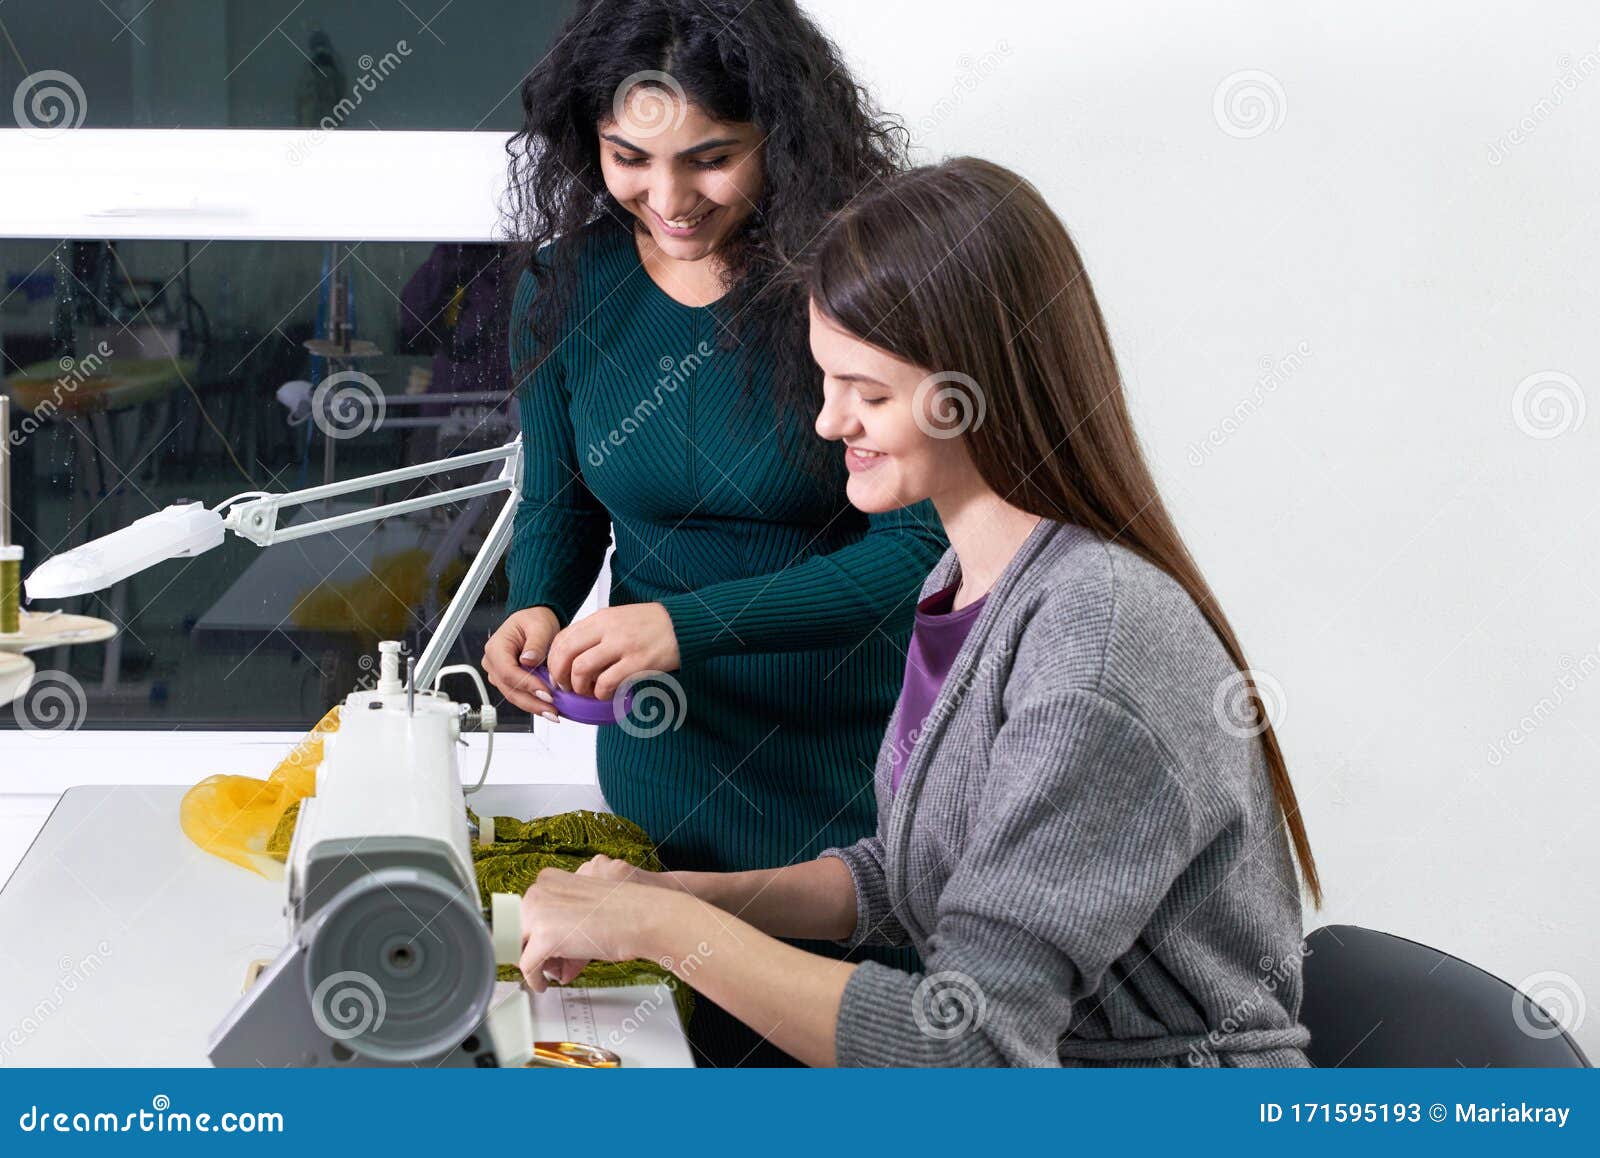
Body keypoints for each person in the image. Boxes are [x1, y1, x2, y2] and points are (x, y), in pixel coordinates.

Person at [512, 157, 1324, 1067]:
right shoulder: (963, 585)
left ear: (979, 383)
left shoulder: (1094, 641)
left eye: (869, 393)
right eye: (825, 383)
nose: (830, 424)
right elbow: (910, 880)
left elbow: (968, 1048)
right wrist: (684, 897)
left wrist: (665, 929)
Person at [480, 0, 945, 1066]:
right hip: (660, 772)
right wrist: (536, 605)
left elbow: (919, 552)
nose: (670, 197)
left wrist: (684, 626)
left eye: (712, 158)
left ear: (781, 135)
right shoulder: (568, 282)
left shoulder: (852, 284)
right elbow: (558, 499)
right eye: (628, 158)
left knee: (857, 1070)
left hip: (841, 780)